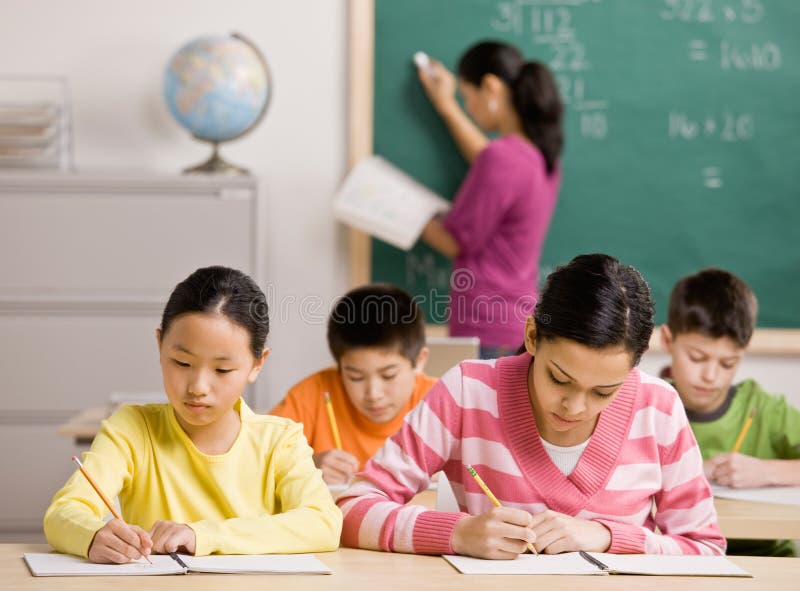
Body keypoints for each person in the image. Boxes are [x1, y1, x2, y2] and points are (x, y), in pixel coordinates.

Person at [337, 254, 725, 558]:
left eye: (603, 391)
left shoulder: (658, 407)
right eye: (559, 378)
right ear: (533, 335)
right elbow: (351, 510)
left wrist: (607, 538)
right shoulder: (468, 390)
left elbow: (706, 549)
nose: (575, 406)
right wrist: (456, 533)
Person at [44, 266, 341, 563]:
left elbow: (323, 524)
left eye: (222, 370)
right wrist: (93, 535)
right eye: (182, 363)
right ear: (159, 345)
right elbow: (62, 514)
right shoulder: (132, 428)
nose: (198, 388)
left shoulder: (279, 439)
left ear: (257, 364)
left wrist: (202, 535)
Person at [416, 40, 563, 359]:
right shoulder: (538, 158)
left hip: (485, 325)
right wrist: (447, 106)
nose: (468, 107)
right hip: (517, 319)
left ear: (491, 87)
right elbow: (489, 160)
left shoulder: (502, 159)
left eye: (467, 97)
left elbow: (454, 241)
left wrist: (402, 212)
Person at [661, 268, 800, 557]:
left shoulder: (764, 410)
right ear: (667, 340)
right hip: (679, 556)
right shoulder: (650, 404)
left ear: (744, 350)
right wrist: (690, 472)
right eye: (697, 358)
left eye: (727, 363)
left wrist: (768, 471)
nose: (711, 375)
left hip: (763, 555)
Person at [270, 284, 437, 484]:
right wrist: (306, 466)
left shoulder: (440, 403)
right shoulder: (312, 394)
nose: (373, 394)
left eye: (388, 375)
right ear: (339, 367)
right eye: (355, 377)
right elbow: (253, 459)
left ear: (419, 361)